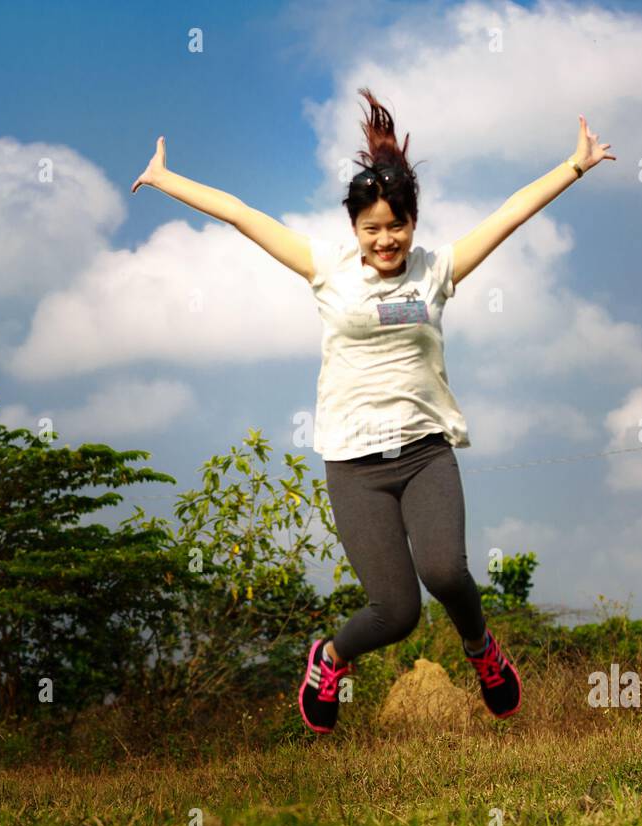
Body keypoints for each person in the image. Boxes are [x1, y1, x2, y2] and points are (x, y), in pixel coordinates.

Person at [132, 87, 615, 734]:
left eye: (396, 226)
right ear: (353, 229)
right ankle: (329, 658)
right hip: (354, 464)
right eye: (371, 229)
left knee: (446, 570)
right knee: (396, 611)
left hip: (424, 452)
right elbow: (242, 215)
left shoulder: (436, 270)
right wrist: (166, 179)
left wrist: (575, 165)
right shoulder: (328, 269)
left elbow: (508, 216)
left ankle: (482, 651)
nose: (385, 241)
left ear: (413, 222)